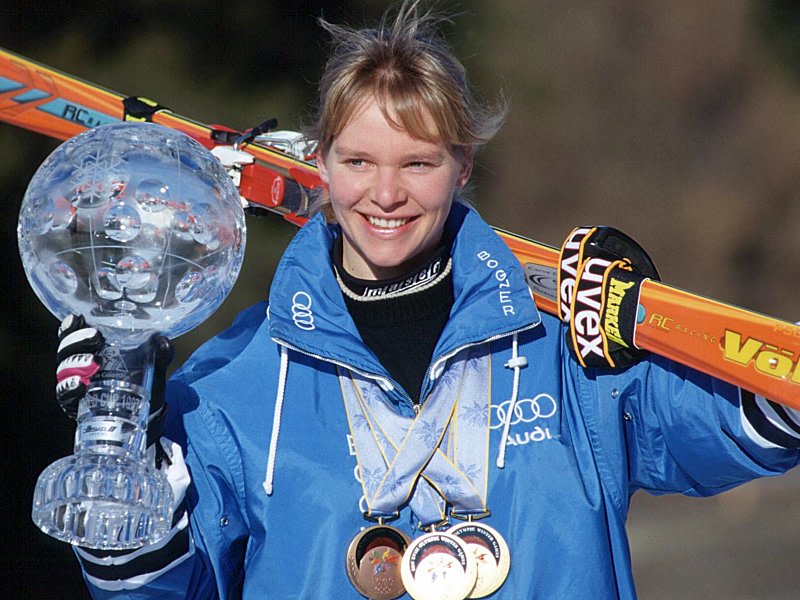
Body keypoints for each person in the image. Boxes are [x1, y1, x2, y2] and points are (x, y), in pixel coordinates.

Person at [53, 1, 800, 598]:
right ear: (320, 164)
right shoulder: (241, 376)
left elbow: (734, 423)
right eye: (358, 161)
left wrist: (731, 352)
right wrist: (120, 442)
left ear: (462, 165)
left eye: (418, 163)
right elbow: (153, 587)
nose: (386, 194)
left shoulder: (566, 343)